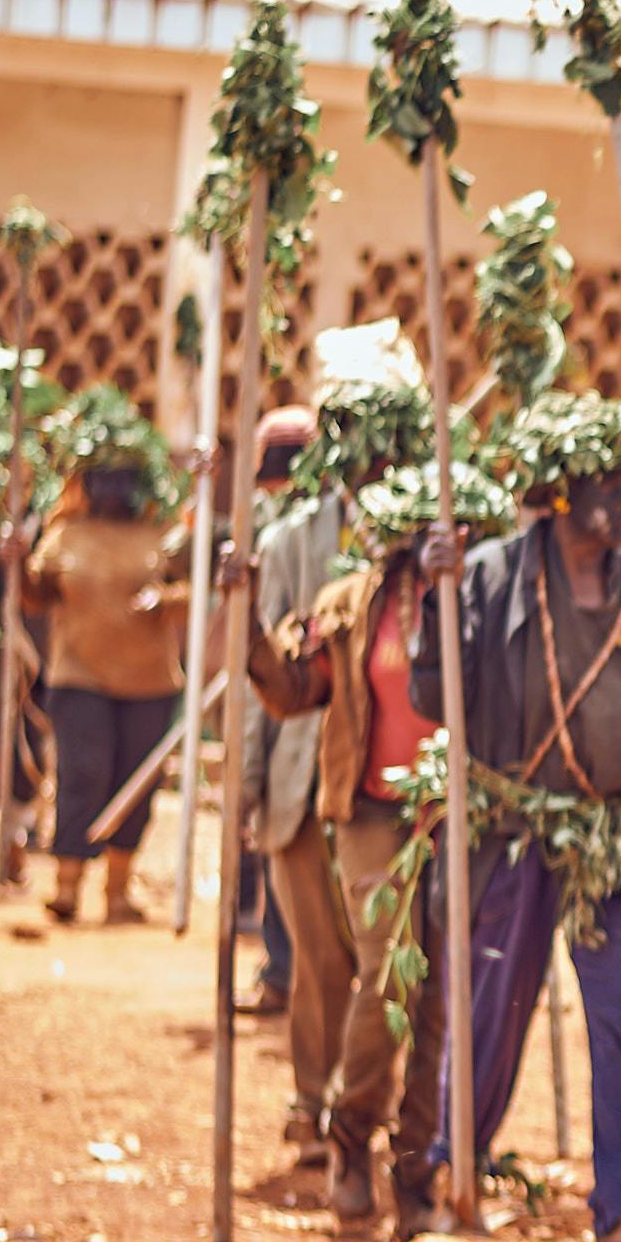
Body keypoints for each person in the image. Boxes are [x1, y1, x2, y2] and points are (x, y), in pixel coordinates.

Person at [419, 391, 621, 1242]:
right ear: (561, 491)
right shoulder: (494, 575)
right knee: (490, 1003)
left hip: (614, 841)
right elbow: (441, 694)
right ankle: (451, 1174)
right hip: (512, 830)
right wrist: (437, 597)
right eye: (609, 488)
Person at [246, 470, 469, 1234]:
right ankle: (350, 1129)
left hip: (456, 815)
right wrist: (245, 619)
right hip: (373, 813)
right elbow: (289, 686)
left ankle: (415, 1165)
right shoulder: (347, 603)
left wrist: (452, 588)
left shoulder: (474, 590)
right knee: (386, 975)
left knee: (442, 993)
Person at [20, 393, 187, 928]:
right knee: (83, 774)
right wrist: (17, 562)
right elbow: (34, 596)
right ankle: (67, 885)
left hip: (148, 680)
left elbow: (194, 588)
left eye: (124, 480)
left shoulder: (163, 534)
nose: (114, 492)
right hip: (80, 676)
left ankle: (118, 892)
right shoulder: (63, 533)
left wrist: (167, 600)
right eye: (104, 479)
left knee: (134, 783)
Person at [236, 405, 340, 1170]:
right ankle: (313, 1104)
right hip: (300, 777)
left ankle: (366, 1111)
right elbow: (260, 677)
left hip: (386, 784)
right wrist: (247, 782)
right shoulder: (284, 546)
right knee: (317, 958)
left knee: (382, 957)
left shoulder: (420, 527)